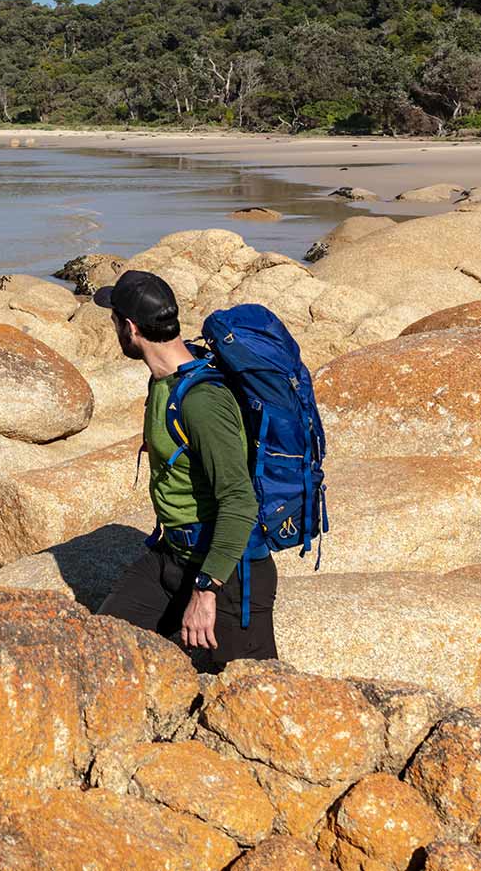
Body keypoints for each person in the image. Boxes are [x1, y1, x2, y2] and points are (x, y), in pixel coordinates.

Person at [92, 269, 278, 667]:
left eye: (113, 321)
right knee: (99, 649)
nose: (113, 329)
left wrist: (206, 591)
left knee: (239, 697)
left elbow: (239, 501)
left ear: (130, 328)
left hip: (230, 574)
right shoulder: (162, 380)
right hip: (171, 555)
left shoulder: (202, 402)